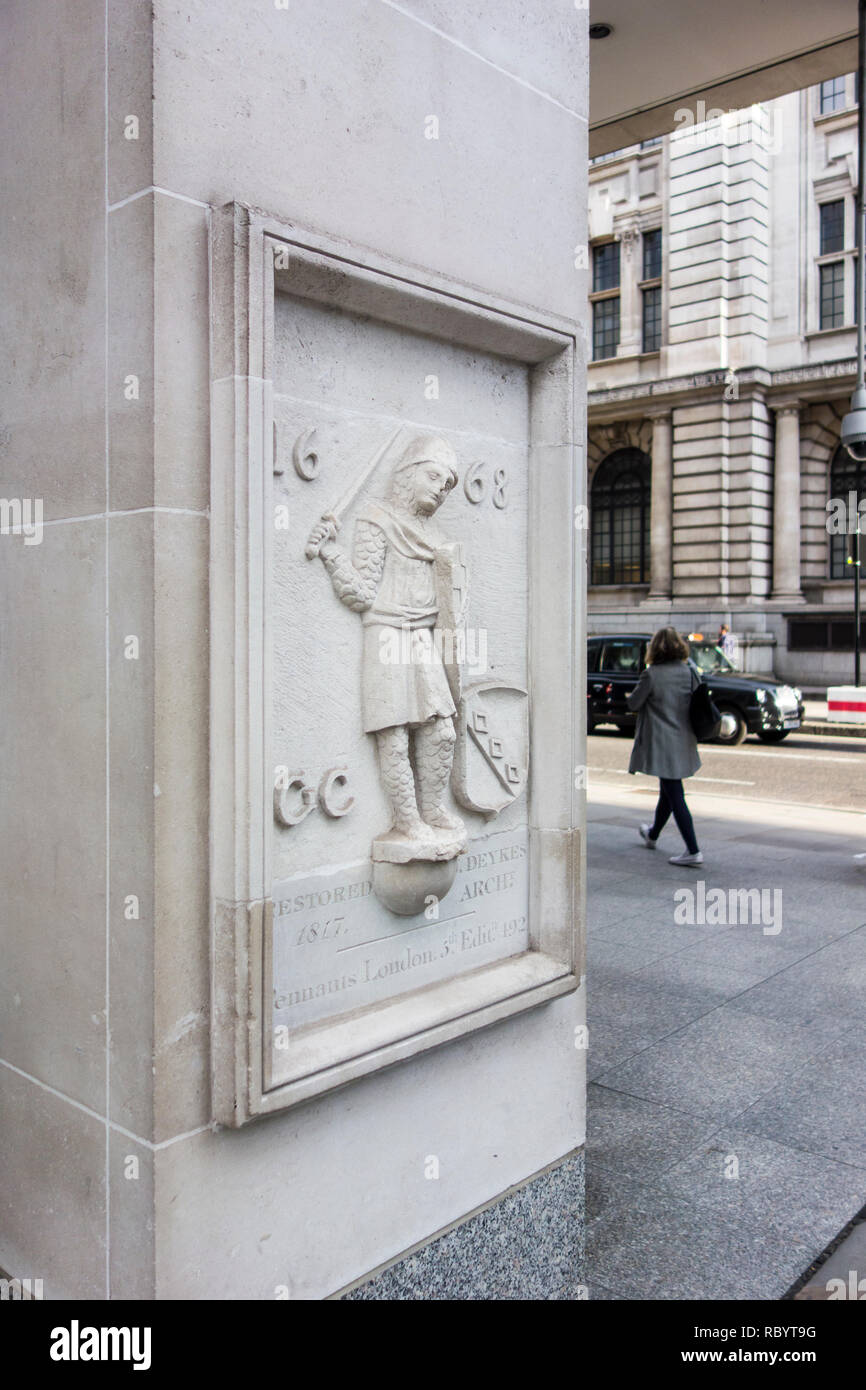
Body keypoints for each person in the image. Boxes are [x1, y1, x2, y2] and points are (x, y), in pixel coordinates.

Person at [306, 434, 466, 848]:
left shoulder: (439, 538)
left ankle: (432, 807)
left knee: (442, 731)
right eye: (434, 477)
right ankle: (407, 819)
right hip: (387, 633)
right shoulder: (375, 520)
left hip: (423, 639)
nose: (441, 489)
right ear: (408, 474)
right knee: (393, 733)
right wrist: (331, 554)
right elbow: (360, 594)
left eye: (448, 484)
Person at [626, 626, 703, 866]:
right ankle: (652, 834)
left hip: (662, 741)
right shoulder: (690, 672)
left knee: (674, 792)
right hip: (685, 738)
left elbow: (633, 703)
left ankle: (693, 850)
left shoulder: (652, 674)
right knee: (668, 790)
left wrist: (631, 694)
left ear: (654, 649)